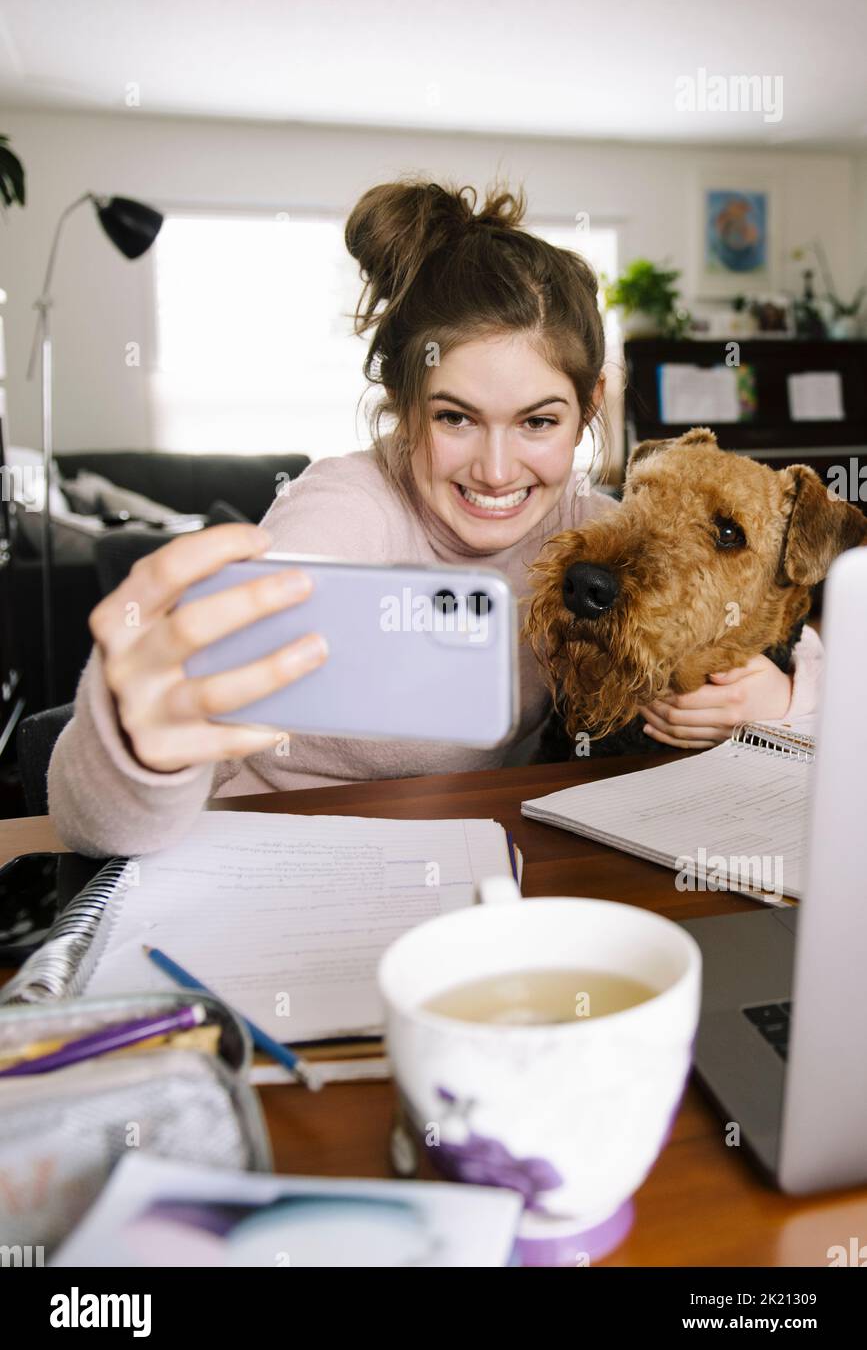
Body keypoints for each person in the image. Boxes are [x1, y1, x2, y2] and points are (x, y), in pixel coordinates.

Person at [48, 181, 821, 855]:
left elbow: (776, 632)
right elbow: (96, 829)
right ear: (403, 404)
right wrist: (136, 746)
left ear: (587, 410)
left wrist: (784, 702)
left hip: (474, 858)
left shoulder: (594, 529)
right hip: (269, 861)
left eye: (537, 423)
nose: (494, 470)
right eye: (455, 418)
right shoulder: (342, 517)